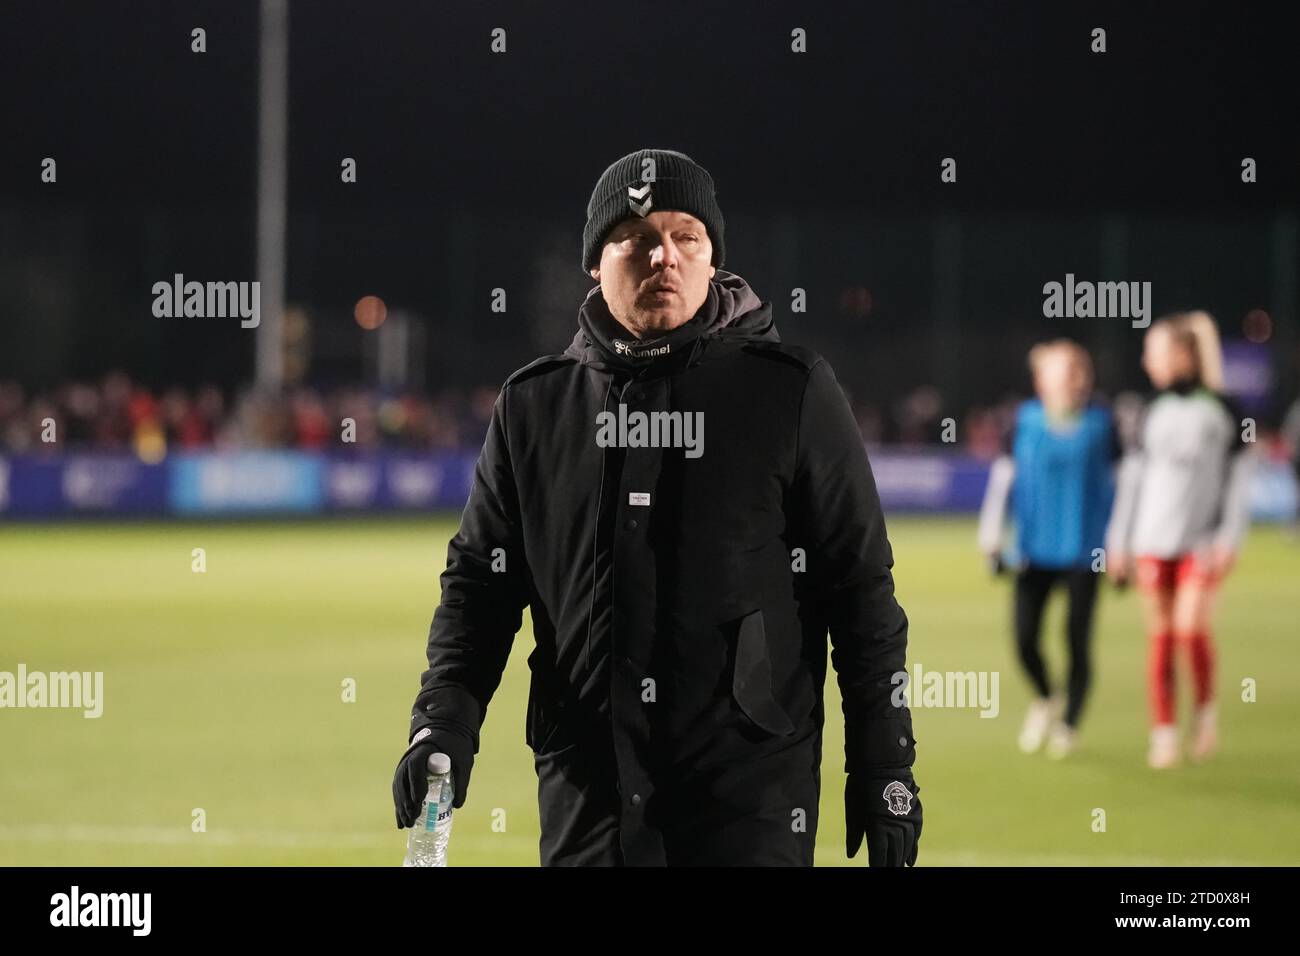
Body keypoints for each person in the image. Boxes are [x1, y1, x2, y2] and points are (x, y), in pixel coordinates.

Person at [392, 148, 921, 865]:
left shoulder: (790, 392)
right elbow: (478, 590)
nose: (663, 256)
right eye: (637, 238)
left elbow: (861, 591)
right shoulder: (533, 406)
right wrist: (443, 722)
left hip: (749, 799)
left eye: (685, 237)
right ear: (596, 261)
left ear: (711, 257)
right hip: (588, 798)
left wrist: (884, 762)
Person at [1106, 312, 1253, 768]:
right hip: (1153, 540)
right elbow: (1131, 483)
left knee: (1191, 630)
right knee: (1162, 637)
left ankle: (1205, 715)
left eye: (1156, 350)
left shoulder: (1224, 410)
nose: (1148, 360)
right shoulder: (1148, 411)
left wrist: (1230, 536)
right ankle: (1165, 733)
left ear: (1184, 354)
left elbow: (1238, 481)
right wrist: (1119, 541)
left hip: (1201, 542)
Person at [978, 340, 1116, 759]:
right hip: (1032, 550)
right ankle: (1045, 696)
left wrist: (1122, 542)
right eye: (1063, 371)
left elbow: (1123, 486)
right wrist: (991, 536)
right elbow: (1003, 482)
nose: (1073, 379)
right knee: (1024, 640)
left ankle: (1069, 723)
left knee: (1076, 639)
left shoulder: (1101, 425)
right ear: (1041, 379)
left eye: (1078, 371)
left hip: (1084, 550)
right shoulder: (1022, 422)